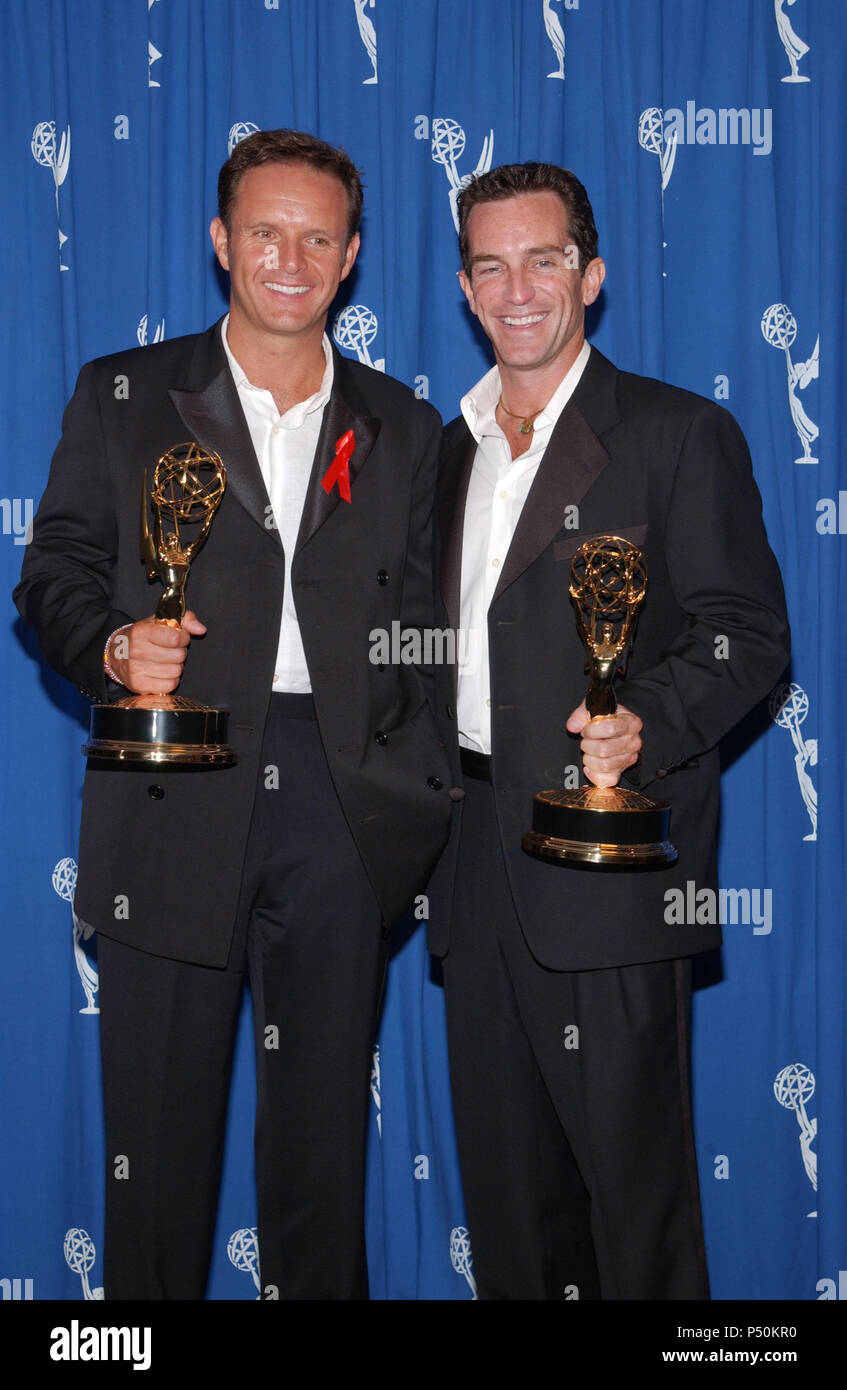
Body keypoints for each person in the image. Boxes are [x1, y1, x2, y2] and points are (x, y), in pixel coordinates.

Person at [15, 129, 453, 1300]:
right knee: (152, 1152)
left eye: (317, 236)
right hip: (173, 784)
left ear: (351, 255)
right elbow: (53, 574)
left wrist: (403, 798)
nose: (289, 257)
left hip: (339, 811)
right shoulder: (121, 394)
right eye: (265, 231)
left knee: (320, 1157)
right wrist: (113, 645)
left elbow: (432, 631)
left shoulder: (405, 428)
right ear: (220, 241)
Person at [429, 162, 790, 1300]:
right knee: (509, 1215)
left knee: (638, 1219)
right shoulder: (446, 452)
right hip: (474, 865)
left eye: (543, 259)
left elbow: (747, 634)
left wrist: (648, 718)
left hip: (613, 864)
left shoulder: (680, 434)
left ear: (592, 274)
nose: (517, 287)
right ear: (464, 286)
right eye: (491, 264)